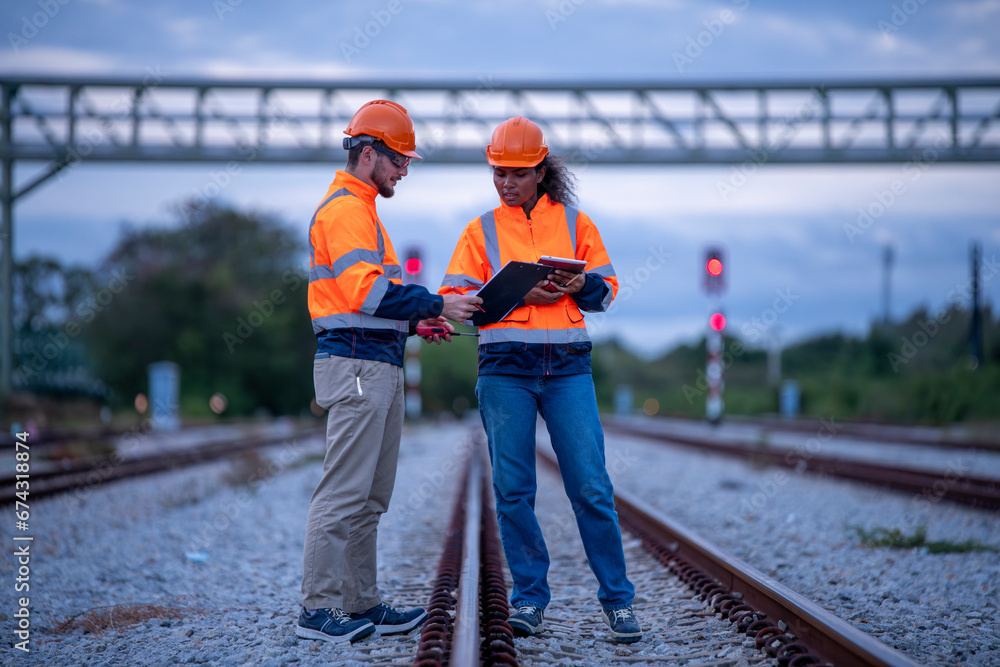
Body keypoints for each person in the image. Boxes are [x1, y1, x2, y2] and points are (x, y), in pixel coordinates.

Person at [438, 116, 642, 643]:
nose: (506, 182)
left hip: (568, 367)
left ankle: (618, 601)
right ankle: (529, 598)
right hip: (506, 370)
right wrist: (519, 295)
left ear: (541, 170)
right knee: (513, 489)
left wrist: (581, 282)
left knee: (591, 486)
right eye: (498, 172)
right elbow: (459, 305)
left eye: (518, 173)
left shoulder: (577, 224)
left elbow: (608, 291)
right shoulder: (478, 231)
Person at [297, 99, 482, 644]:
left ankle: (360, 601)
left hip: (374, 358)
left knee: (371, 496)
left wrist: (412, 327)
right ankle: (317, 610)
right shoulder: (347, 211)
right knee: (343, 491)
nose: (405, 170)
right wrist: (436, 307)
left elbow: (366, 304)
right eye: (400, 160)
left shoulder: (364, 211)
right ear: (369, 152)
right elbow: (368, 292)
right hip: (355, 364)